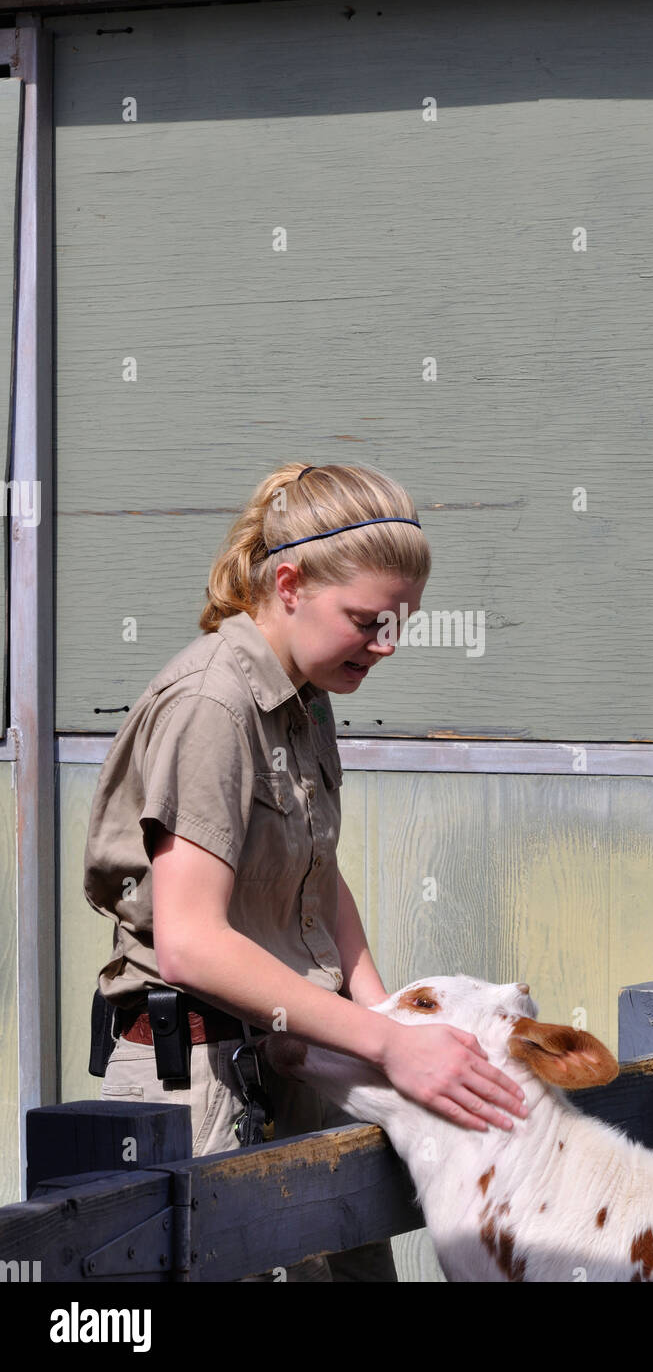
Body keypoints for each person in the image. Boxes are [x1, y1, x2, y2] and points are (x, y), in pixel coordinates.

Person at [83, 461, 527, 1282]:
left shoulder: (306, 693)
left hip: (300, 1059)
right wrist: (388, 1045)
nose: (386, 645)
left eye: (400, 622)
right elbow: (191, 944)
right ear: (288, 583)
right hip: (208, 1087)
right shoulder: (213, 704)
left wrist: (392, 1019)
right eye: (366, 618)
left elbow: (317, 875)